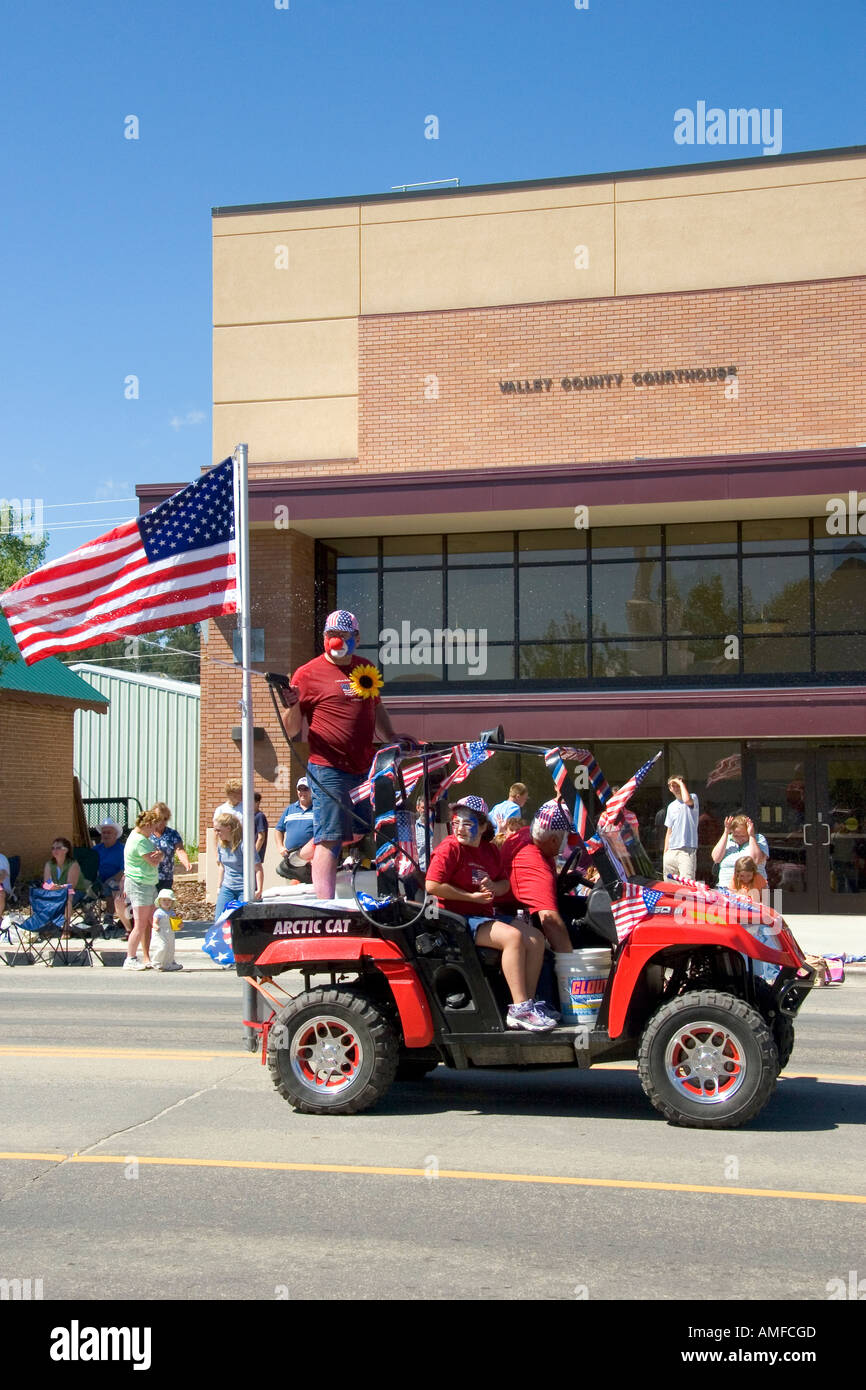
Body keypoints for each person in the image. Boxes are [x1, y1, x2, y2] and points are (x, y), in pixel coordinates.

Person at [277, 609, 414, 899]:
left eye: (344, 636)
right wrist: (292, 705)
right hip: (328, 767)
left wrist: (391, 736)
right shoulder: (307, 673)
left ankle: (296, 860)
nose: (337, 641)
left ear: (357, 639)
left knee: (358, 831)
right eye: (331, 636)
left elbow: (376, 707)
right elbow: (290, 730)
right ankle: (325, 906)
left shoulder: (365, 669)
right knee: (331, 838)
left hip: (363, 767)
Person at [425, 795, 555, 1032]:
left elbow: (504, 884)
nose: (460, 828)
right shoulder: (449, 848)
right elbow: (432, 885)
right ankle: (519, 1009)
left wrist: (495, 888)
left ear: (483, 826)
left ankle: (529, 1002)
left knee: (535, 939)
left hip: (483, 917)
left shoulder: (490, 851)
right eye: (456, 822)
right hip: (455, 920)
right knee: (512, 938)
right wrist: (471, 897)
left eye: (467, 823)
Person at [499, 801, 573, 954]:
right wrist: (573, 966)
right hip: (508, 916)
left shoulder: (527, 833)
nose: (568, 841)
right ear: (553, 840)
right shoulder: (534, 864)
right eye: (567, 836)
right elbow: (550, 921)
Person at [123, 806, 167, 971]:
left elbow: (158, 856)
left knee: (156, 920)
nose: (154, 831)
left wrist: (159, 855)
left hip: (148, 884)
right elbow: (154, 860)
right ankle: (130, 958)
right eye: (153, 828)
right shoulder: (140, 840)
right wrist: (159, 855)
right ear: (147, 824)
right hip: (139, 884)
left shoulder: (139, 837)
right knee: (140, 924)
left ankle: (161, 957)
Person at [711, 815, 769, 890]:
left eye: (743, 836)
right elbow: (716, 858)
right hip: (726, 887)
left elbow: (756, 860)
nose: (739, 839)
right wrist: (726, 832)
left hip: (753, 887)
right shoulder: (727, 839)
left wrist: (751, 836)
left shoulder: (758, 839)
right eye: (736, 836)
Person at [94, 818, 131, 935]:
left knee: (111, 886)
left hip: (116, 879)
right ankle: (89, 917)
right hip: (99, 879)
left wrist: (111, 879)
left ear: (116, 834)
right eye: (104, 832)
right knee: (87, 887)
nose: (105, 835)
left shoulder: (122, 850)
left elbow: (123, 869)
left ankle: (109, 917)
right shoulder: (96, 849)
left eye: (109, 832)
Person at [662, 776, 699, 880]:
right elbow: (669, 831)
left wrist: (680, 783)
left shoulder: (693, 797)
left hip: (686, 850)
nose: (675, 788)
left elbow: (687, 800)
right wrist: (665, 852)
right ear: (669, 788)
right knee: (670, 886)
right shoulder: (671, 806)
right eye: (672, 786)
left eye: (677, 785)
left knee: (687, 885)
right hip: (671, 851)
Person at [150, 804, 192, 894]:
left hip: (166, 877)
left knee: (164, 903)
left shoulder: (172, 834)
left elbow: (180, 850)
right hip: (149, 877)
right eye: (158, 819)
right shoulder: (147, 833)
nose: (161, 822)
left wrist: (186, 862)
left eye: (164, 819)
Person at [214, 813, 245, 920]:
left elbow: (257, 868)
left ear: (228, 828)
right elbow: (222, 867)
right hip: (227, 886)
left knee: (241, 921)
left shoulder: (243, 844)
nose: (216, 833)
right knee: (219, 920)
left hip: (243, 888)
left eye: (218, 830)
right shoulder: (221, 845)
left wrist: (258, 889)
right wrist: (219, 887)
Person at [150, 887, 183, 971]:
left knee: (170, 947)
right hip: (160, 932)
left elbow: (174, 921)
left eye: (169, 900)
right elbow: (155, 921)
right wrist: (155, 925)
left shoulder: (171, 912)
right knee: (162, 947)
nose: (166, 902)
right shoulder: (159, 912)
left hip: (169, 932)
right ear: (159, 901)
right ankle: (156, 962)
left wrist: (179, 925)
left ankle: (169, 963)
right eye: (164, 900)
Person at [253, 792, 268, 899]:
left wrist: (254, 852)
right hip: (247, 852)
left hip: (255, 852)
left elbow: (261, 836)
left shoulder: (259, 816)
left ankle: (257, 895)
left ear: (257, 802)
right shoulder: (248, 816)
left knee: (255, 872)